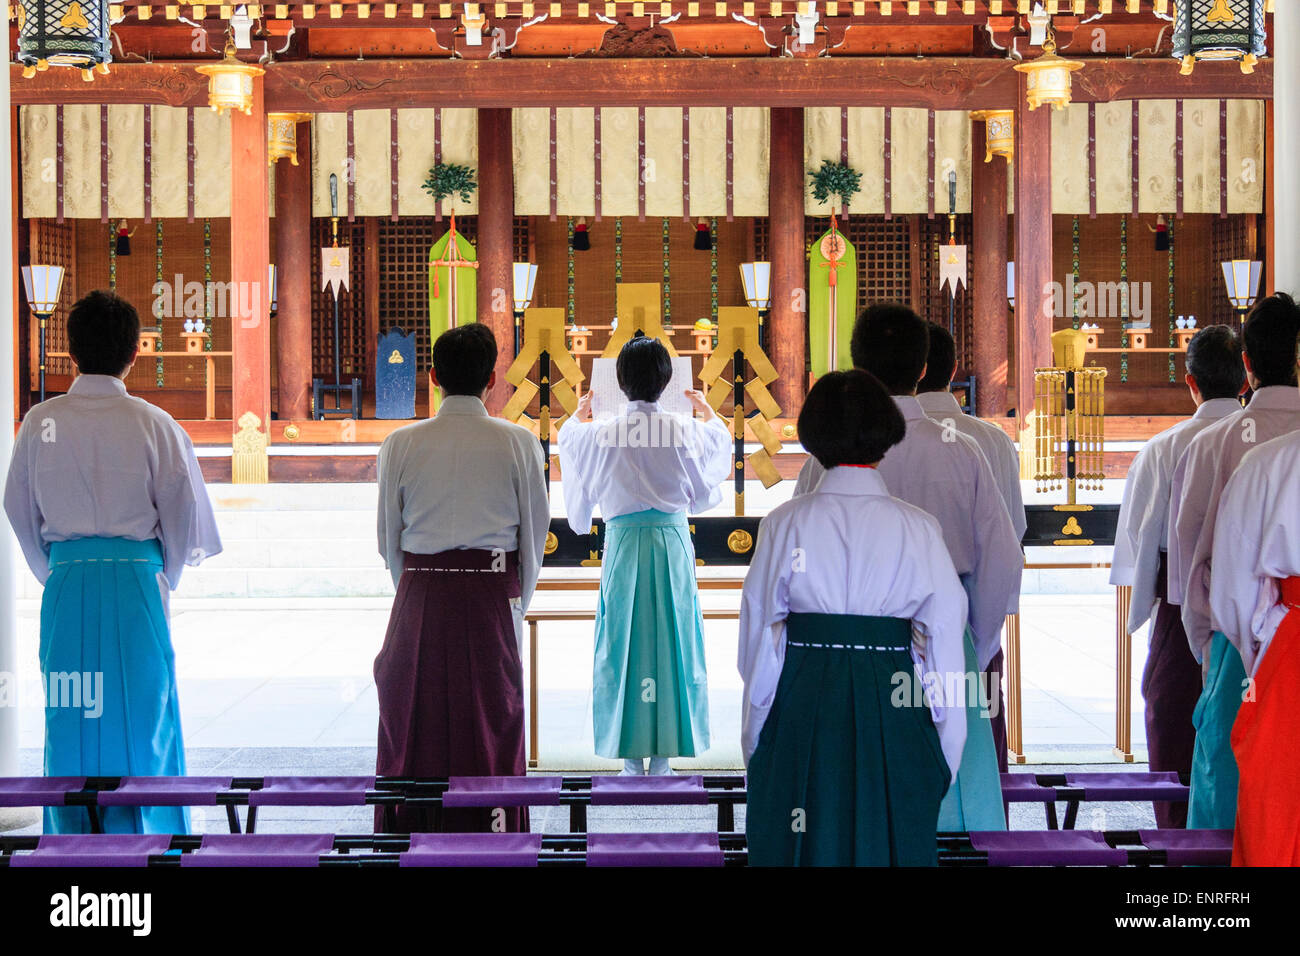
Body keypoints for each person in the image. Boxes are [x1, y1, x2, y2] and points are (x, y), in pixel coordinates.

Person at [794, 305, 1021, 832]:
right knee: (949, 800)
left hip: (848, 648)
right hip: (950, 634)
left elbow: (800, 563)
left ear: (859, 368)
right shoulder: (963, 452)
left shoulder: (825, 458)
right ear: (923, 369)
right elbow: (1003, 558)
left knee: (861, 798)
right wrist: (975, 642)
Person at [3, 290, 221, 834]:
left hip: (70, 584)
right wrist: (160, 575)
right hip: (136, 584)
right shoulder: (155, 424)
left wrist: (55, 569)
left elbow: (18, 507)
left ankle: (73, 843)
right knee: (146, 715)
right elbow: (182, 514)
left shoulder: (39, 422)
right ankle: (155, 838)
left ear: (72, 351)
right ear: (134, 352)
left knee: (70, 716)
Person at [740, 370, 967, 866]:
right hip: (894, 706)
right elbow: (945, 652)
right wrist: (943, 756)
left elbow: (759, 646)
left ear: (814, 438)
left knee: (799, 844)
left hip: (801, 706)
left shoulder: (784, 523)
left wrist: (757, 740)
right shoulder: (919, 528)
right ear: (886, 438)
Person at [374, 323, 549, 832]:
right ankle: (492, 837)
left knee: (413, 719)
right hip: (490, 594)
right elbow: (533, 542)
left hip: (421, 592)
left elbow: (390, 540)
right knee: (491, 718)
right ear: (493, 378)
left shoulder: (400, 444)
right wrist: (514, 604)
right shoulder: (519, 442)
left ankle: (411, 836)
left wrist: (417, 589)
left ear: (432, 377)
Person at [557, 333, 730, 776]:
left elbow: (571, 443)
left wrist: (577, 417)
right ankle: (665, 752)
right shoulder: (683, 427)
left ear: (620, 382)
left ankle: (629, 753)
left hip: (624, 544)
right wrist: (708, 413)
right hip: (671, 542)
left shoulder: (603, 432)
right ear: (666, 380)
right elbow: (712, 464)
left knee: (623, 639)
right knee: (673, 638)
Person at [1167, 293, 1300, 830]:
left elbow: (1192, 558)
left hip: (1238, 635)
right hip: (1270, 626)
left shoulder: (1217, 443)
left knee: (1229, 785)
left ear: (1246, 364)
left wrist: (1215, 648)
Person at [1109, 325, 1245, 828]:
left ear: (1191, 382)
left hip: (1178, 595)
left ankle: (1176, 832)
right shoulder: (1273, 439)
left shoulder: (1165, 446)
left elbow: (1139, 542)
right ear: (1244, 376)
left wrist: (1144, 605)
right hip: (1262, 605)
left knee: (1173, 714)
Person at [915, 321, 1025, 773]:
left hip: (893, 617)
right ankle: (982, 830)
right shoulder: (994, 440)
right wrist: (986, 635)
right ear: (953, 368)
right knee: (981, 728)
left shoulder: (880, 442)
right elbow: (1012, 537)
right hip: (973, 608)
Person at [1209, 419, 1300, 866]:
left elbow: (1234, 593)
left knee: (1278, 810)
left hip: (1293, 650)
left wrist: (1260, 659)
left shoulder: (1270, 462)